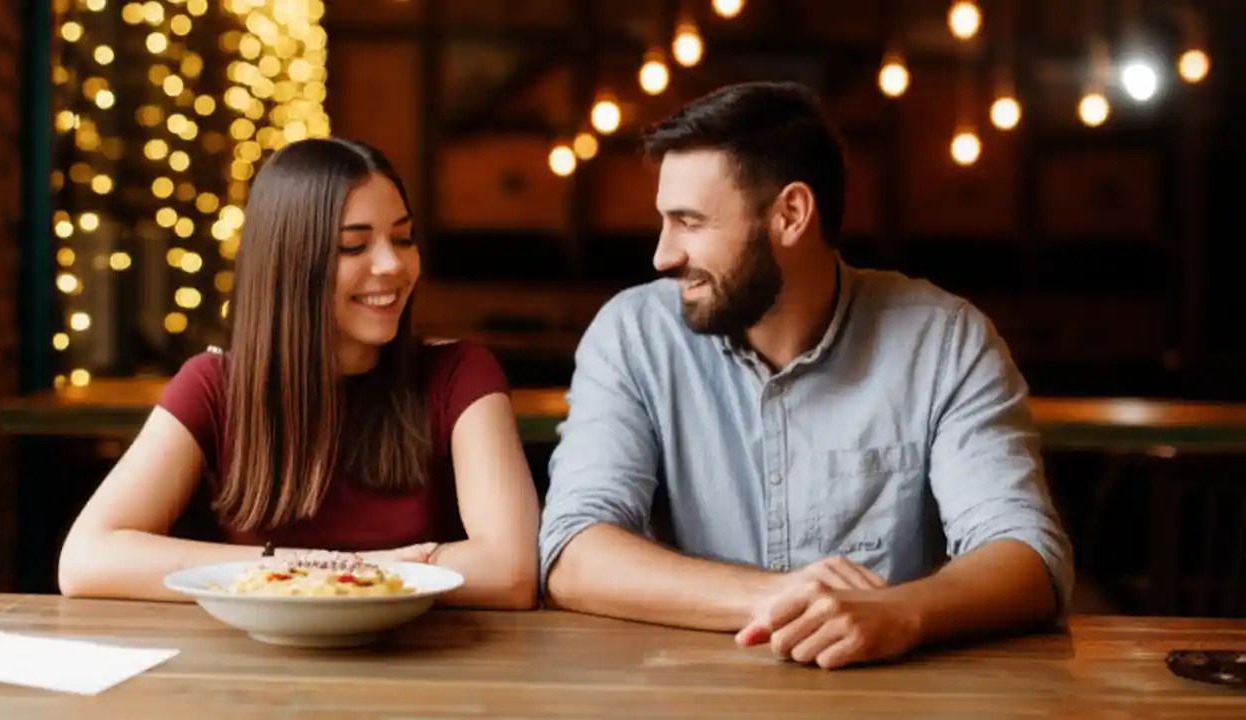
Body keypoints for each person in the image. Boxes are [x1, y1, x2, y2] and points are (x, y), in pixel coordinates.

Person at [539, 81, 1073, 667]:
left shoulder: (943, 340)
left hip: (888, 696)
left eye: (688, 222)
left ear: (790, 215)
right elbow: (573, 555)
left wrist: (902, 614)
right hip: (692, 694)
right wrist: (781, 596)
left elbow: (1029, 555)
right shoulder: (633, 335)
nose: (662, 255)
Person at [60, 138, 539, 609]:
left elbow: (510, 572)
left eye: (402, 237)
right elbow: (86, 560)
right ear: (290, 264)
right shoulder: (213, 385)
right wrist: (326, 568)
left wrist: (312, 574)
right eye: (354, 246)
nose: (393, 264)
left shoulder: (461, 376)